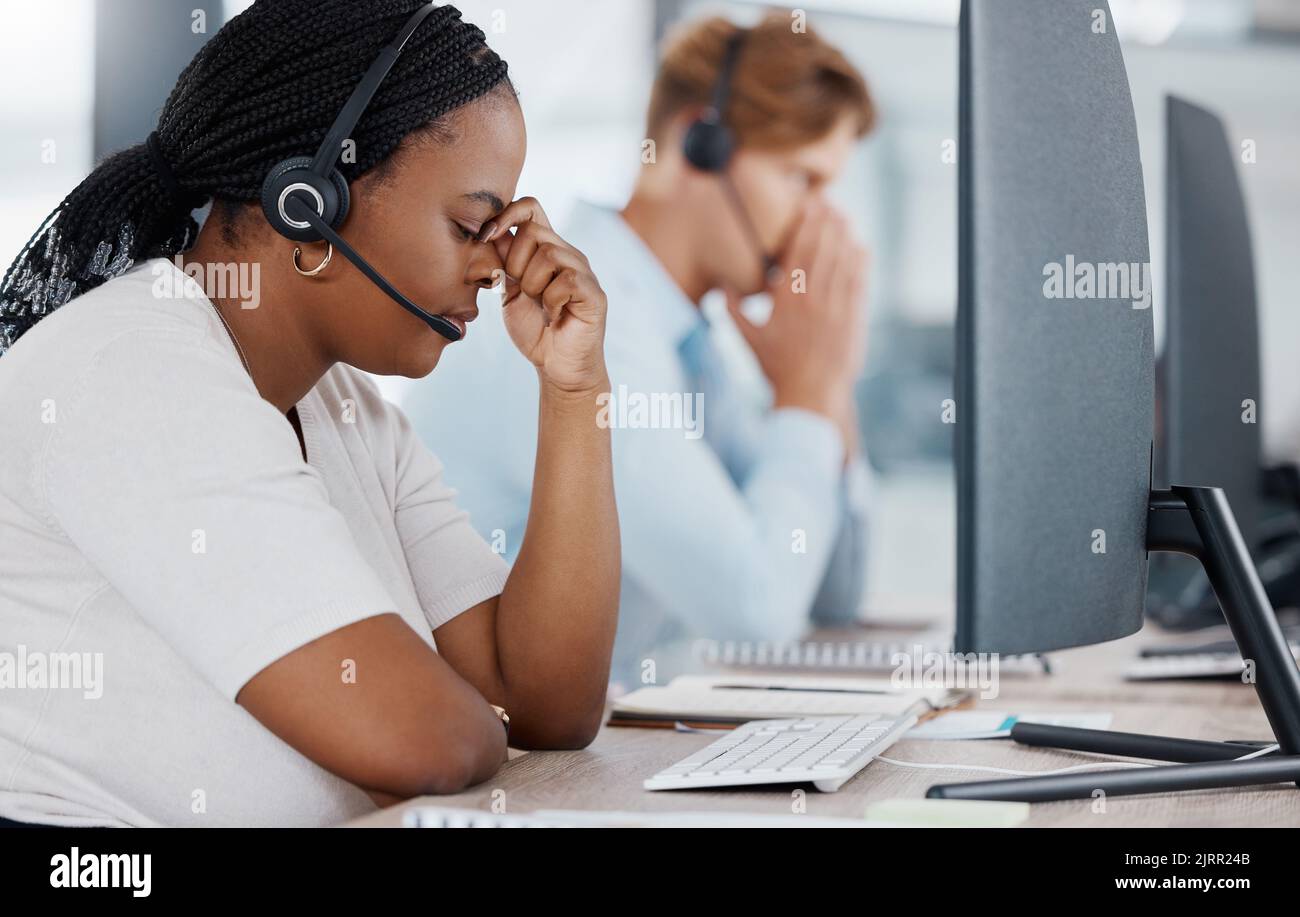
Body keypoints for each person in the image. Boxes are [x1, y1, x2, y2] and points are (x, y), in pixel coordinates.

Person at [0, 0, 618, 827]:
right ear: (308, 201)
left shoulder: (346, 411)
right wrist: (465, 714)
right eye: (473, 224)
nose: (496, 265)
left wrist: (575, 390)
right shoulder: (133, 367)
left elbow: (544, 704)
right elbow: (427, 738)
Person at [405, 12, 876, 689]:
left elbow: (832, 598)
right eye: (802, 179)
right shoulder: (584, 322)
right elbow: (757, 616)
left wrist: (827, 388)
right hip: (512, 751)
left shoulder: (688, 343)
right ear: (697, 145)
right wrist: (806, 394)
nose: (823, 223)